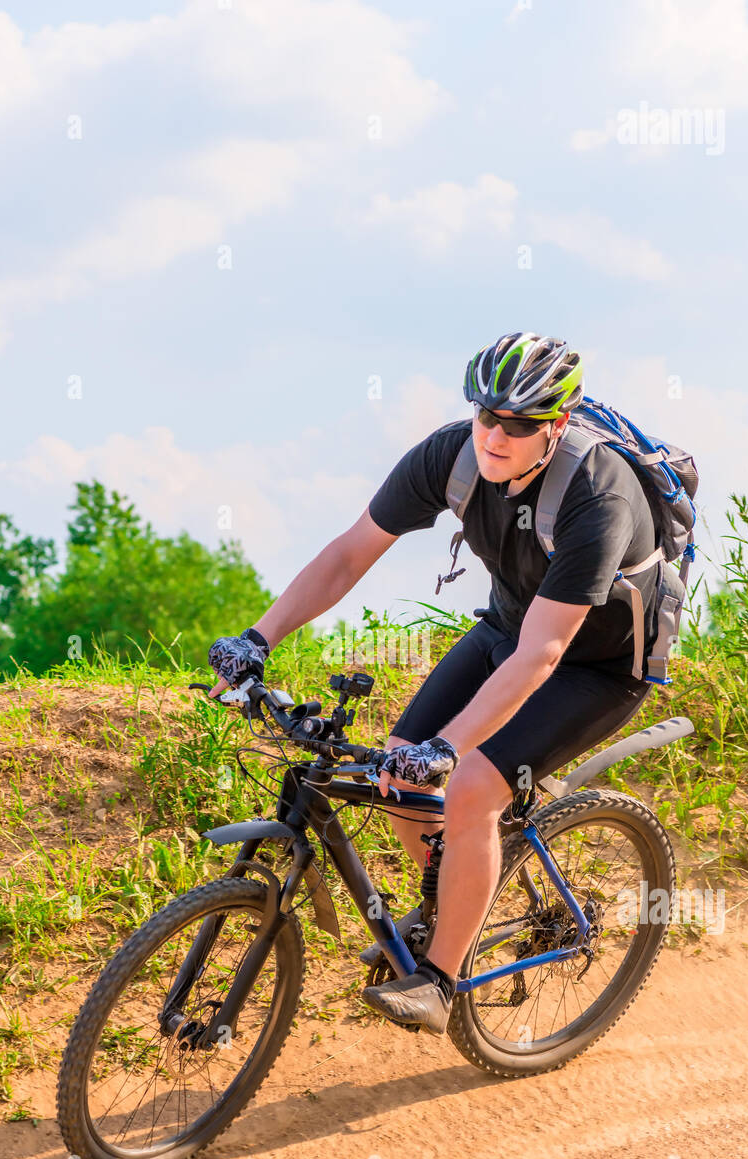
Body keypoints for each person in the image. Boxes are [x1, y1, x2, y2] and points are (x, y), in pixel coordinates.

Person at [208, 331, 660, 1037]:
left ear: (559, 424)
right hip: (506, 628)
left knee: (472, 784)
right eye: (485, 415)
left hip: (597, 665)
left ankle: (440, 982)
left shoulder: (597, 497)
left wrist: (452, 747)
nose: (496, 435)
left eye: (520, 424)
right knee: (400, 764)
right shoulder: (447, 457)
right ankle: (458, 888)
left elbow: (543, 654)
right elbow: (349, 552)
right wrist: (257, 638)